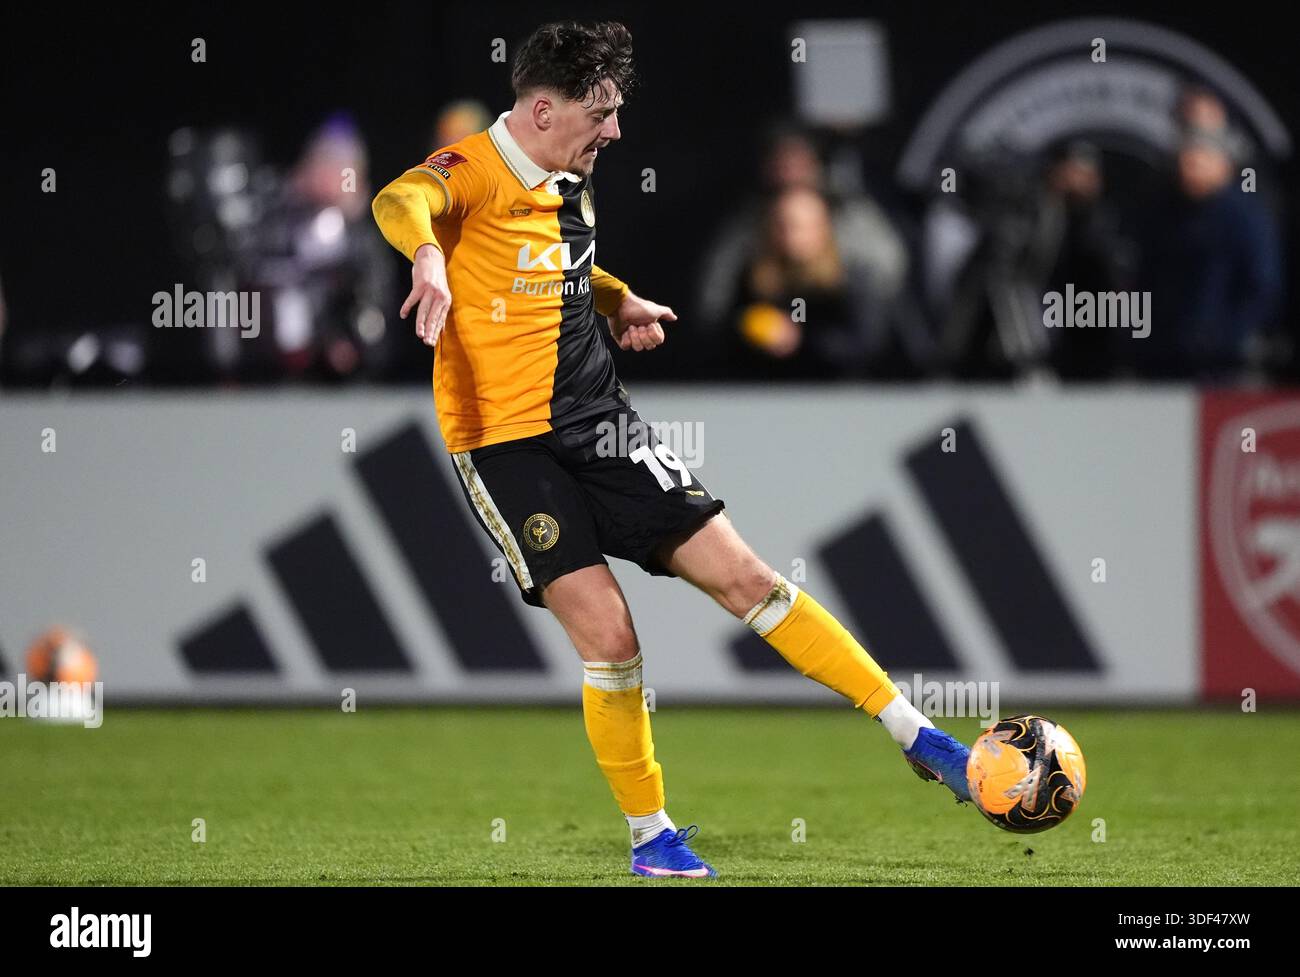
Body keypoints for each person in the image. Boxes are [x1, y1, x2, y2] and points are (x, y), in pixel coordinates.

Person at [370, 20, 970, 880]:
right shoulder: (471, 172)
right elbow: (400, 199)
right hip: (506, 446)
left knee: (749, 579)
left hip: (600, 421)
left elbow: (555, 268)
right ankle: (653, 835)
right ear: (541, 109)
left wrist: (614, 300)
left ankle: (920, 735)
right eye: (600, 112)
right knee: (611, 638)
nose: (614, 132)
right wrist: (427, 257)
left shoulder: (572, 176)